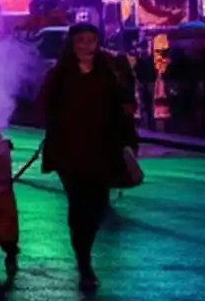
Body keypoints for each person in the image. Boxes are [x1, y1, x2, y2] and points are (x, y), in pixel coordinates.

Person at [38, 23, 138, 292]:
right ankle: (84, 263)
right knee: (79, 204)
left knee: (97, 206)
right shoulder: (60, 74)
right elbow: (44, 107)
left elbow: (124, 108)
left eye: (90, 40)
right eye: (80, 41)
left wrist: (128, 143)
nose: (86, 46)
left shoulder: (109, 71)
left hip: (102, 150)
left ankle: (84, 250)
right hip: (69, 151)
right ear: (72, 43)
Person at [135, 44, 158, 130]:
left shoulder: (143, 61)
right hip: (147, 83)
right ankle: (148, 122)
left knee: (145, 102)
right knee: (146, 102)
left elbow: (138, 73)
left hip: (146, 83)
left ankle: (147, 122)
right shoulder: (148, 61)